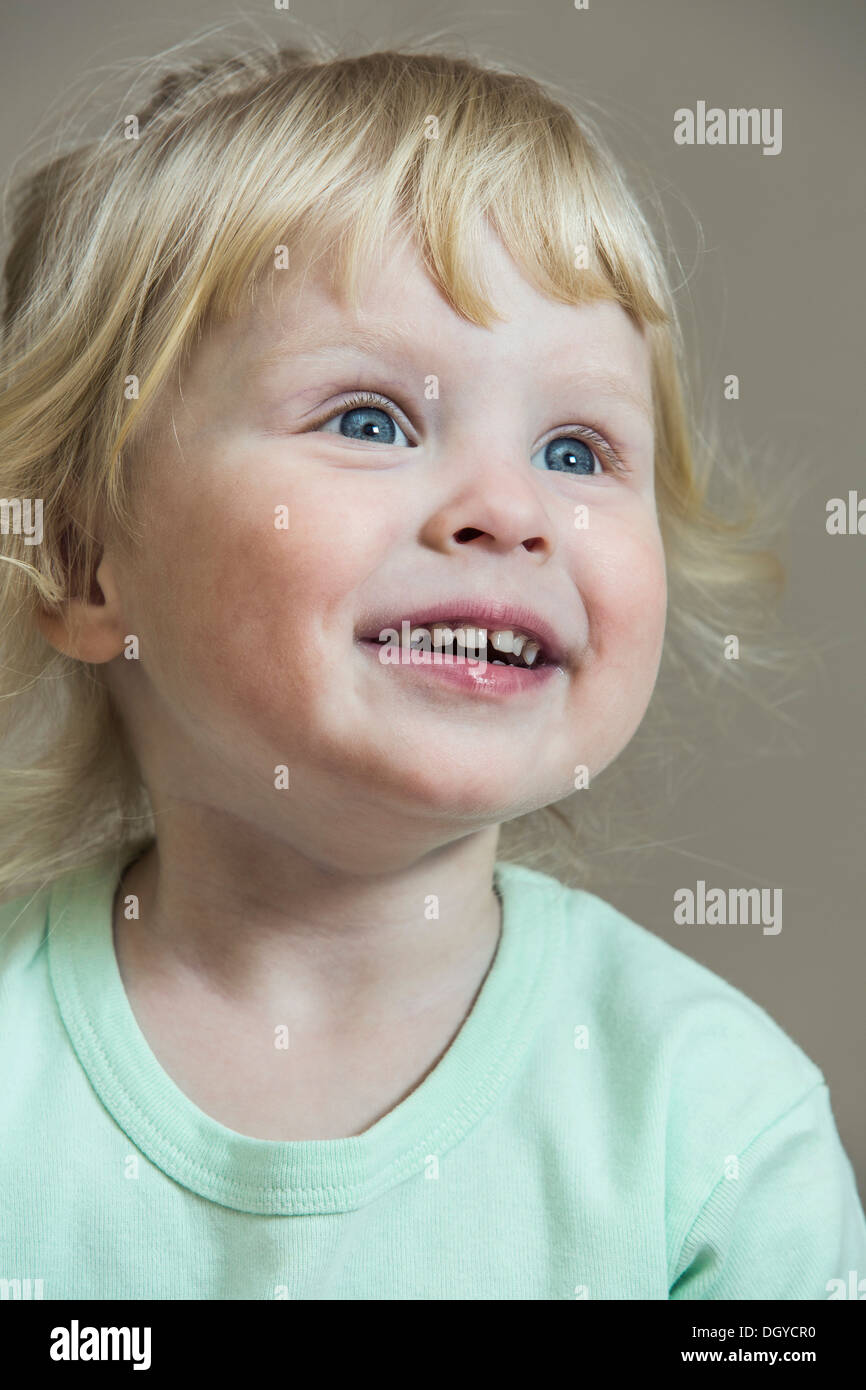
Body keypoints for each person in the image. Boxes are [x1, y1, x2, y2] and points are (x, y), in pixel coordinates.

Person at [0, 36, 863, 1300]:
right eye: (370, 420)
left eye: (576, 450)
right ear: (84, 563)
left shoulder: (711, 1132)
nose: (507, 510)